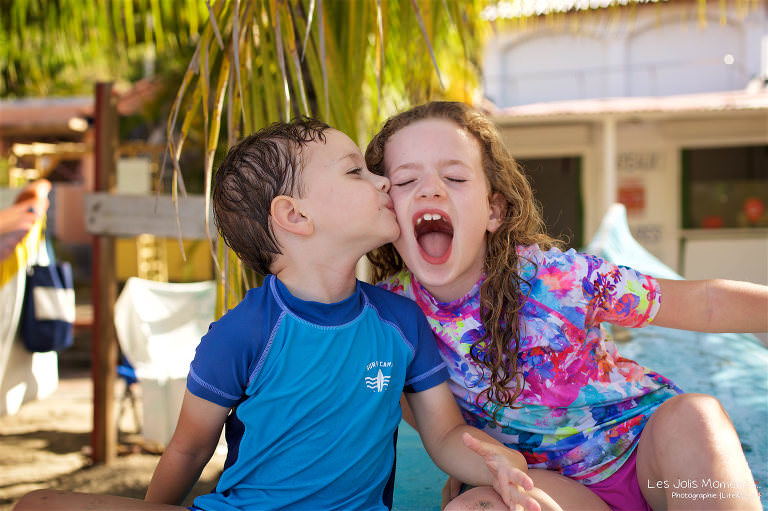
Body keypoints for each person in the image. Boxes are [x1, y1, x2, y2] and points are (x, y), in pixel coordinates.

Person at [16, 118, 559, 511]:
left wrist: (498, 462)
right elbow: (189, 447)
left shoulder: (399, 321)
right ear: (295, 216)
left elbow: (443, 436)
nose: (383, 182)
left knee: (485, 505)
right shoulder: (243, 334)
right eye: (356, 172)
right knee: (36, 505)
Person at [366, 101, 766, 511]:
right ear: (386, 208)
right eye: (406, 179)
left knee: (695, 416)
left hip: (650, 460)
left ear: (494, 210)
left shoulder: (557, 279)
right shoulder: (389, 314)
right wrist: (471, 460)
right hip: (549, 486)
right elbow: (427, 412)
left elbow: (707, 304)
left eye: (453, 176)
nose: (430, 188)